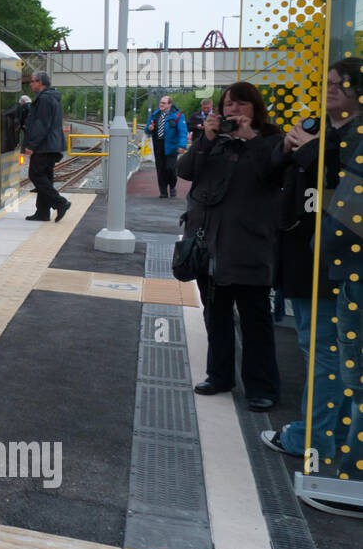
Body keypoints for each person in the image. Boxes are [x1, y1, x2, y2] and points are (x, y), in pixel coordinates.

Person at [264, 59, 363, 458]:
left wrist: (309, 151)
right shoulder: (315, 128)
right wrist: (286, 148)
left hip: (338, 258)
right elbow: (273, 171)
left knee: (326, 351)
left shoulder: (354, 137)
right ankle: (324, 435)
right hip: (304, 253)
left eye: (340, 84)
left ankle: (315, 439)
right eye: (327, 83)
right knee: (318, 346)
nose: (331, 89)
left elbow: (338, 180)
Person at [176, 81, 283, 410]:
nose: (233, 111)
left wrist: (250, 140)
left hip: (249, 245)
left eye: (241, 104)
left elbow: (274, 174)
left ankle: (261, 387)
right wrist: (206, 140)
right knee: (216, 314)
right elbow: (185, 170)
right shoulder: (213, 140)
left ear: (255, 109)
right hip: (209, 243)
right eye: (228, 105)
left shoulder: (271, 140)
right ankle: (219, 375)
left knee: (255, 319)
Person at [22, 70, 71, 222]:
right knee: (46, 178)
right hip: (52, 145)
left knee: (35, 175)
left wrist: (31, 145)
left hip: (44, 145)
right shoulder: (52, 97)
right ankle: (42, 213)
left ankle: (60, 203)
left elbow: (41, 124)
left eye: (32, 81)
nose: (30, 84)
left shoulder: (43, 99)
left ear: (40, 82)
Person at [146, 94, 187, 198]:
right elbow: (147, 129)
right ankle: (163, 192)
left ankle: (172, 186)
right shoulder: (155, 115)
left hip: (171, 146)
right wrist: (149, 128)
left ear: (170, 104)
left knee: (170, 168)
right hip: (158, 145)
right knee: (160, 169)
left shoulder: (178, 116)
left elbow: (183, 132)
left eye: (164, 103)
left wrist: (182, 145)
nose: (161, 104)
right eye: (160, 102)